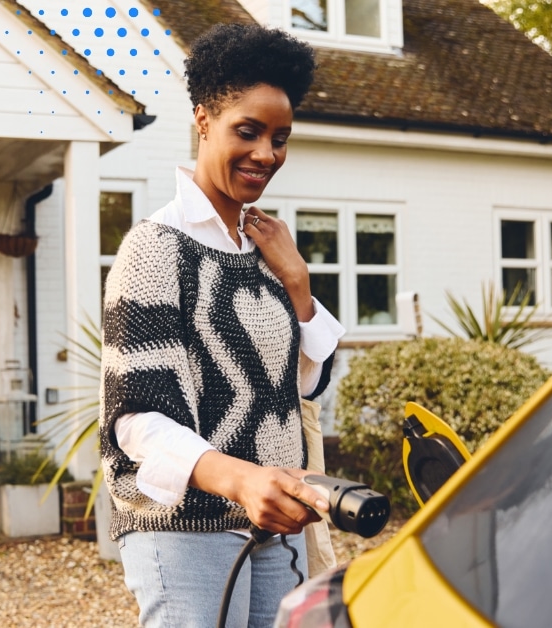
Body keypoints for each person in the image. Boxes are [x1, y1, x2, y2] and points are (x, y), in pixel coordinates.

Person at [100, 23, 345, 627]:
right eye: (249, 130)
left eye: (280, 137)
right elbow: (137, 418)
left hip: (273, 521)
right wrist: (242, 481)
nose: (267, 153)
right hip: (185, 529)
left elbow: (304, 389)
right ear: (203, 118)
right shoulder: (157, 248)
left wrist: (298, 285)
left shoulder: (265, 249)